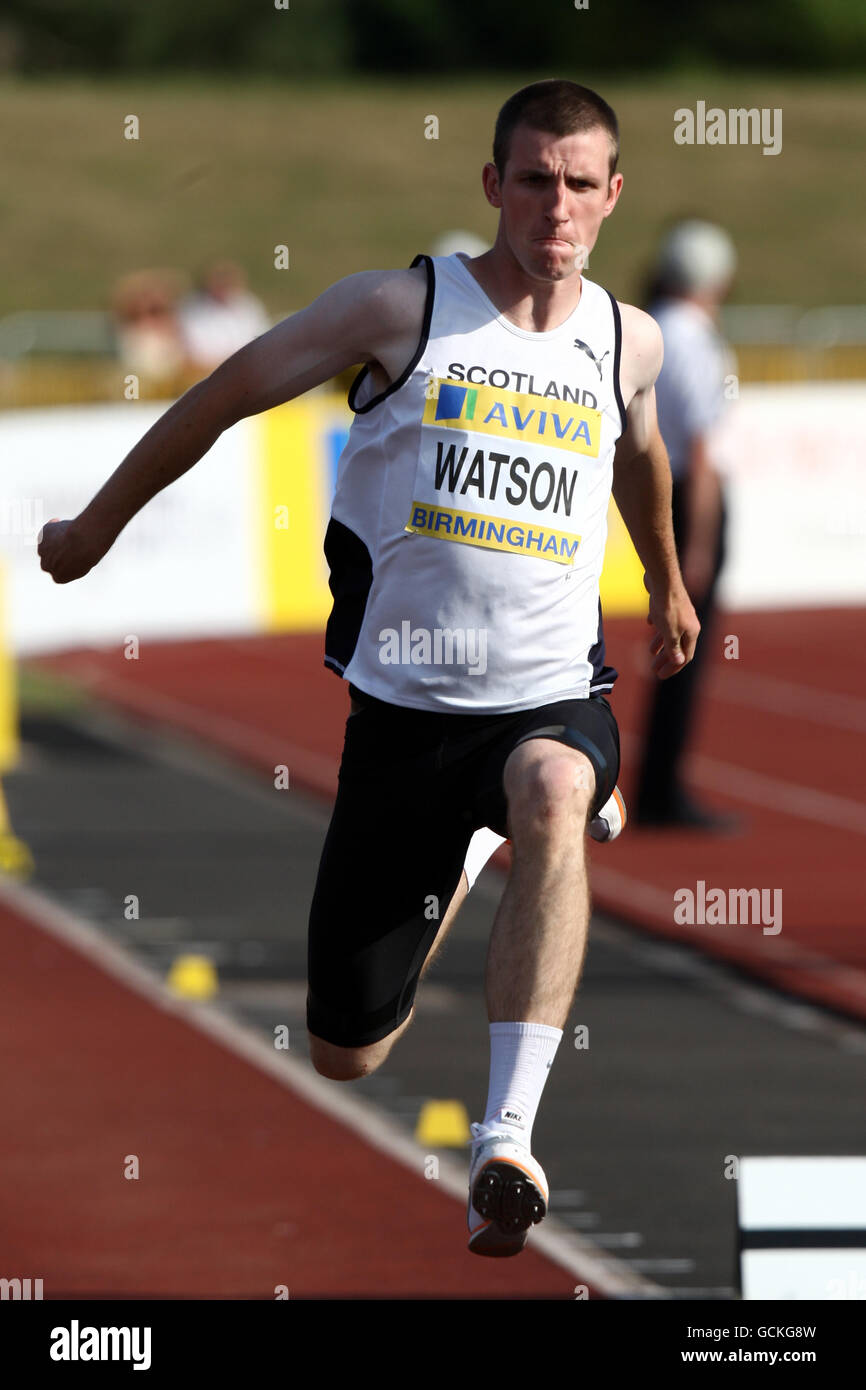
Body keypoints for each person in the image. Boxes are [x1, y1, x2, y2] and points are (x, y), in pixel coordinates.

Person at [37, 79, 699, 1259]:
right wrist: (95, 528)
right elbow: (223, 395)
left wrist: (665, 578)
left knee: (553, 788)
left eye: (579, 183)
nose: (555, 205)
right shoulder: (401, 311)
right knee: (348, 1048)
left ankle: (506, 1136)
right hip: (401, 723)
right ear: (492, 184)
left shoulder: (623, 337)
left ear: (612, 197)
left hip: (547, 699)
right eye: (533, 179)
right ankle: (477, 842)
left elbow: (639, 450)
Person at [633, 220, 738, 830]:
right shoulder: (693, 337)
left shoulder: (653, 326)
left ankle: (655, 787)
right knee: (685, 649)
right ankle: (661, 791)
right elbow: (700, 454)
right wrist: (696, 545)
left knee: (674, 646)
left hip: (661, 492)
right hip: (687, 500)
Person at [178, 259, 272, 370]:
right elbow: (195, 351)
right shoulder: (193, 308)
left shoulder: (248, 304)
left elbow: (262, 337)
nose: (223, 287)